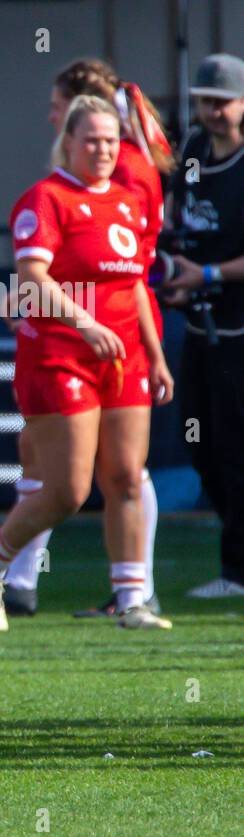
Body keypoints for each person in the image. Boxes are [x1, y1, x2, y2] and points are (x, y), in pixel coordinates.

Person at [0, 95, 174, 632]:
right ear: (69, 143)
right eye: (91, 140)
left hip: (122, 357)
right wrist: (86, 323)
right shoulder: (47, 198)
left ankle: (131, 602)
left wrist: (157, 355)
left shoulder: (129, 200)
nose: (102, 149)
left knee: (126, 476)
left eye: (110, 140)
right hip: (59, 357)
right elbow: (32, 279)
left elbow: (136, 286)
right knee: (67, 492)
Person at [164, 53, 244, 599]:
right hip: (199, 326)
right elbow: (177, 213)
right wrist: (173, 267)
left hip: (239, 330)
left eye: (223, 101)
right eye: (205, 101)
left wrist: (209, 272)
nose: (213, 111)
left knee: (237, 447)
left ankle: (236, 571)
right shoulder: (191, 150)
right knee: (202, 444)